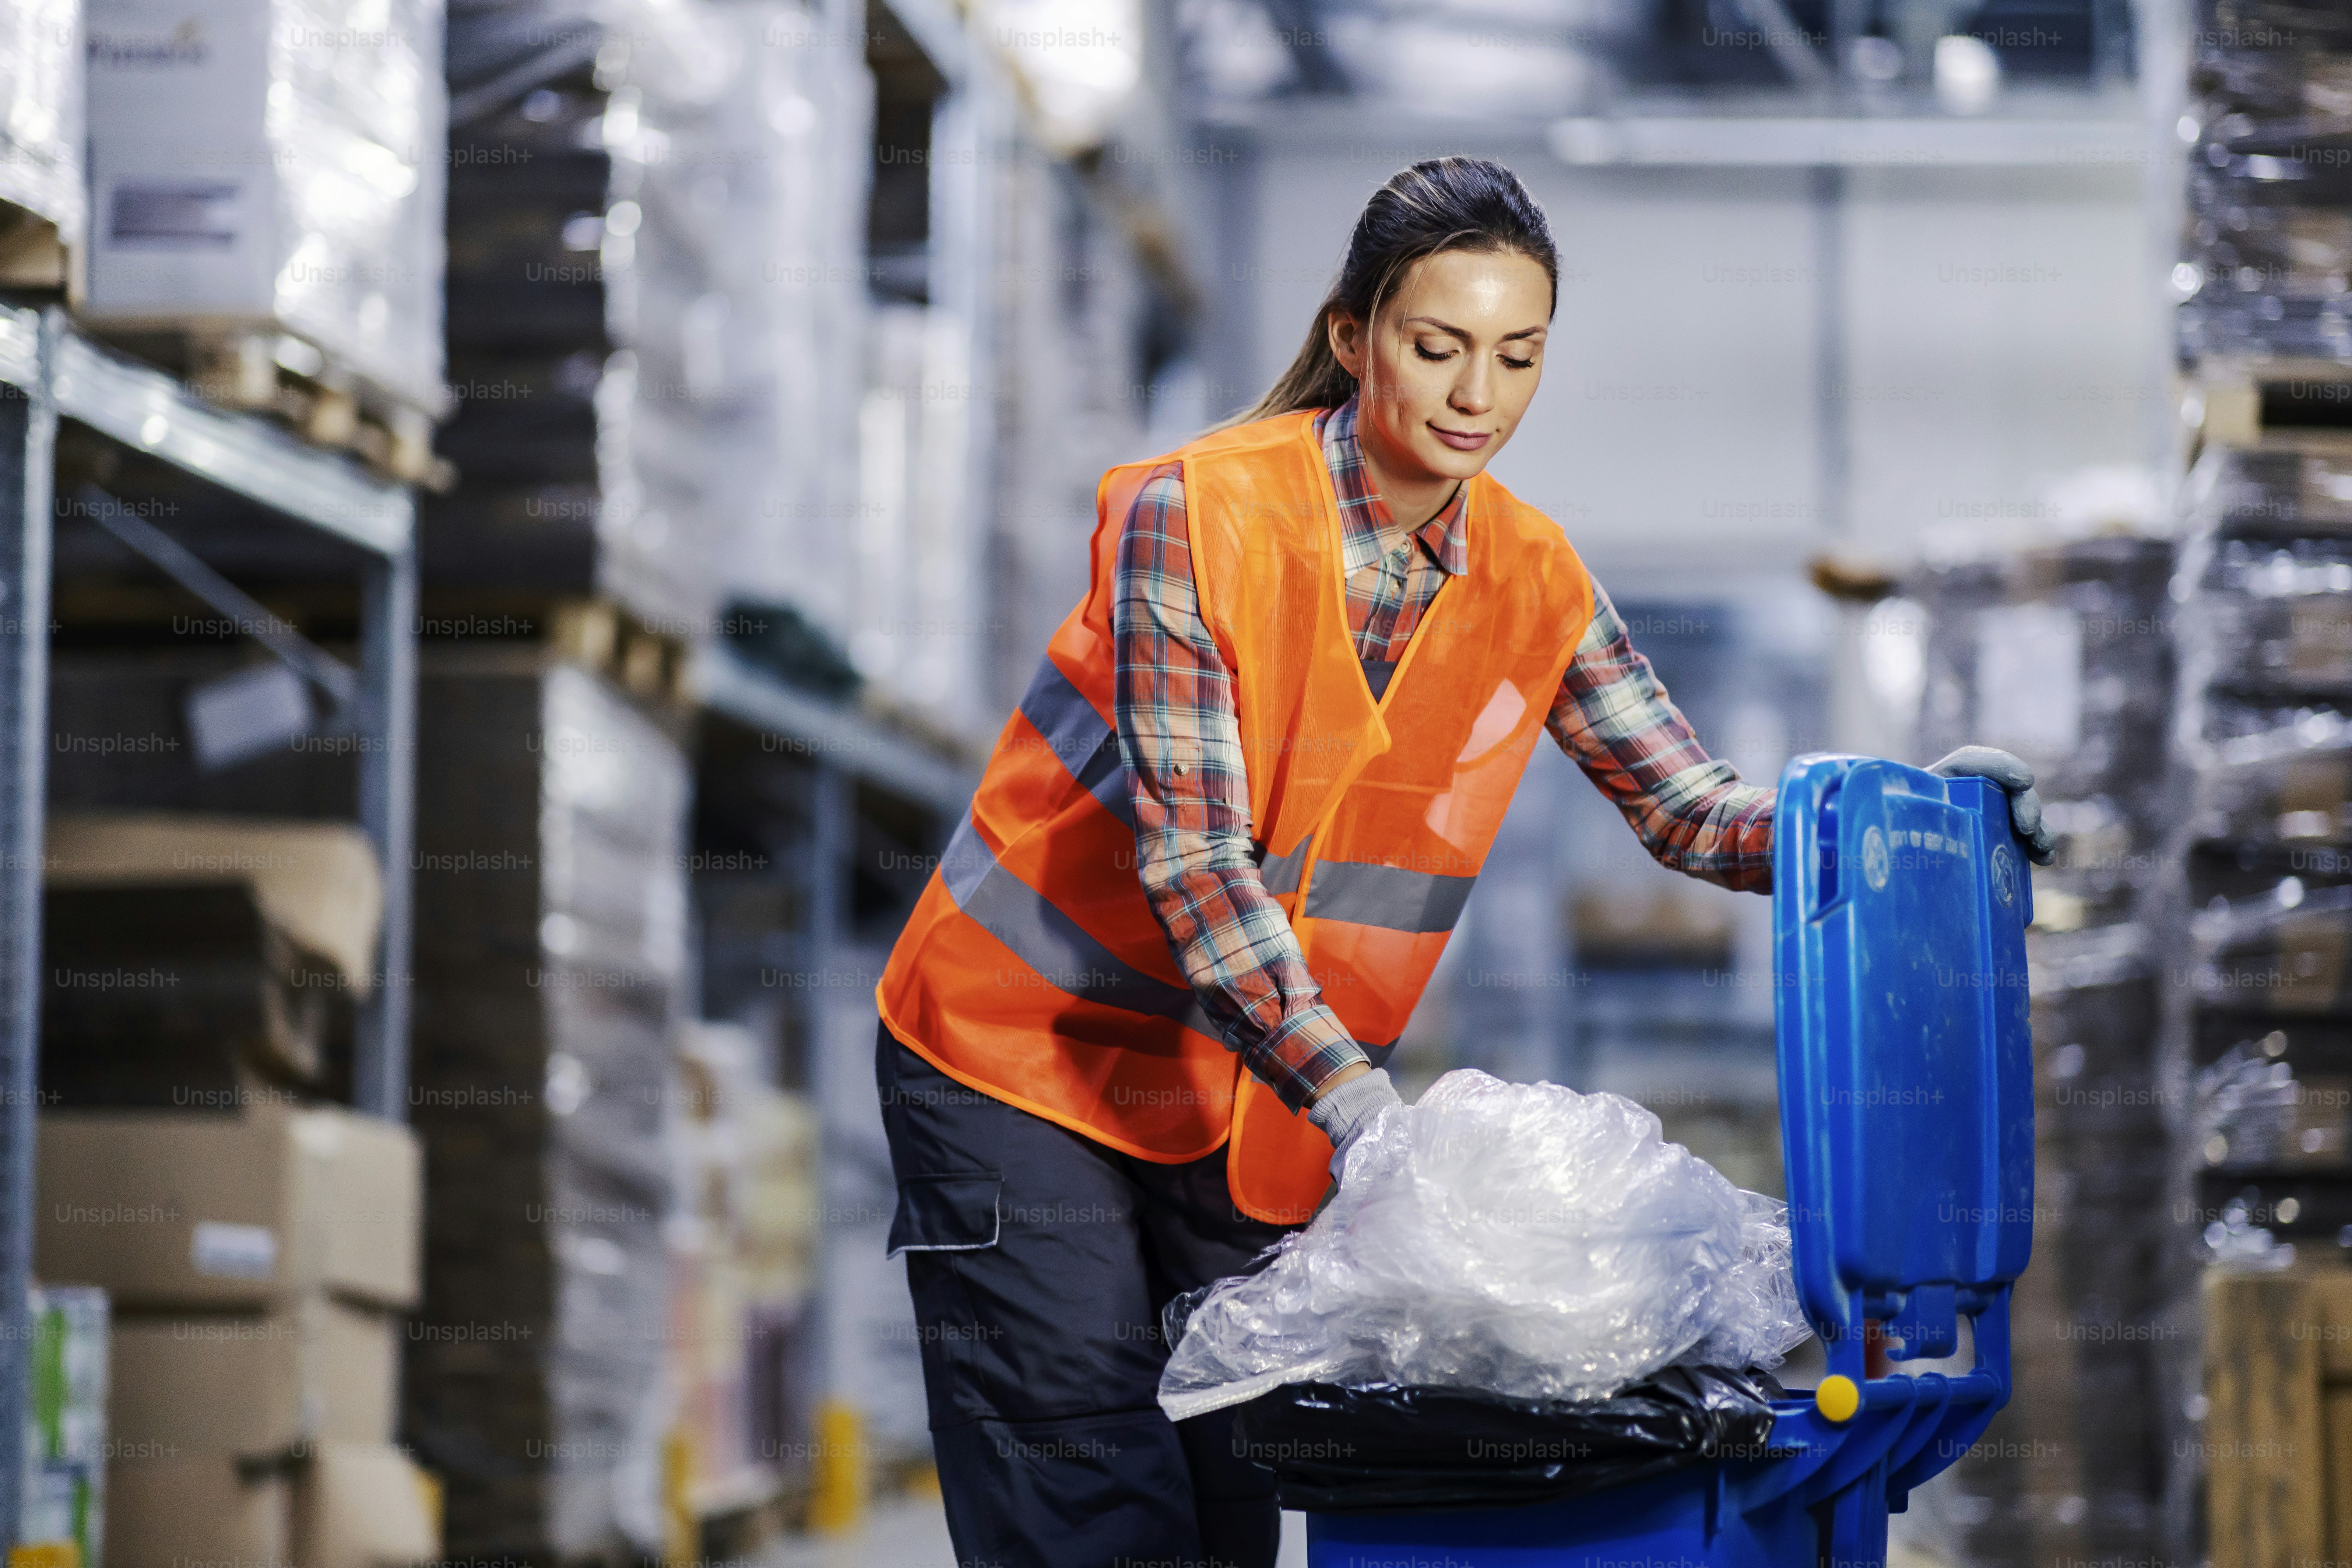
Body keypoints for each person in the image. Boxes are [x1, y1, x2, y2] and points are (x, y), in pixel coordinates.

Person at [872, 155, 2052, 1568]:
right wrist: (1368, 1116)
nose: (1473, 394)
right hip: (1025, 1058)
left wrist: (1891, 823)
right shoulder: (1193, 513)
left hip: (1245, 1097)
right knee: (1091, 1498)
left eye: (1516, 356)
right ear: (1350, 336)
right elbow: (1196, 864)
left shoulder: (1533, 575)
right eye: (1436, 347)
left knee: (1233, 1494)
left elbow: (1684, 807)